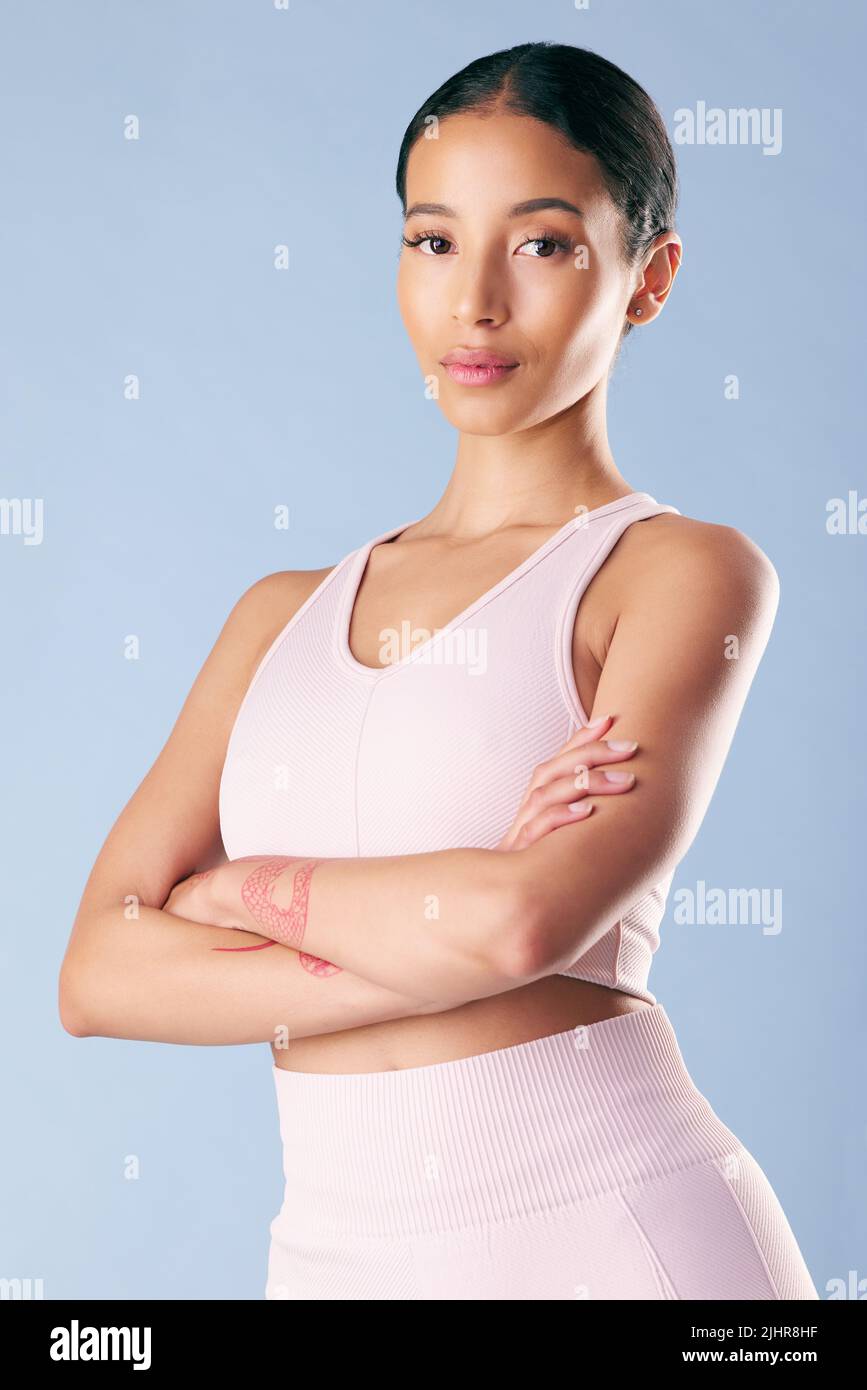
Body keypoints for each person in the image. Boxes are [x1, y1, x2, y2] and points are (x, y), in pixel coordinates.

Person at [60, 41, 818, 1300]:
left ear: (649, 278)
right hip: (329, 1259)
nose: (474, 302)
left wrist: (234, 891)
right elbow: (95, 975)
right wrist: (447, 927)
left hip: (618, 1233)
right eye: (431, 241)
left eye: (543, 242)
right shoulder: (277, 615)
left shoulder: (679, 574)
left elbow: (524, 921)